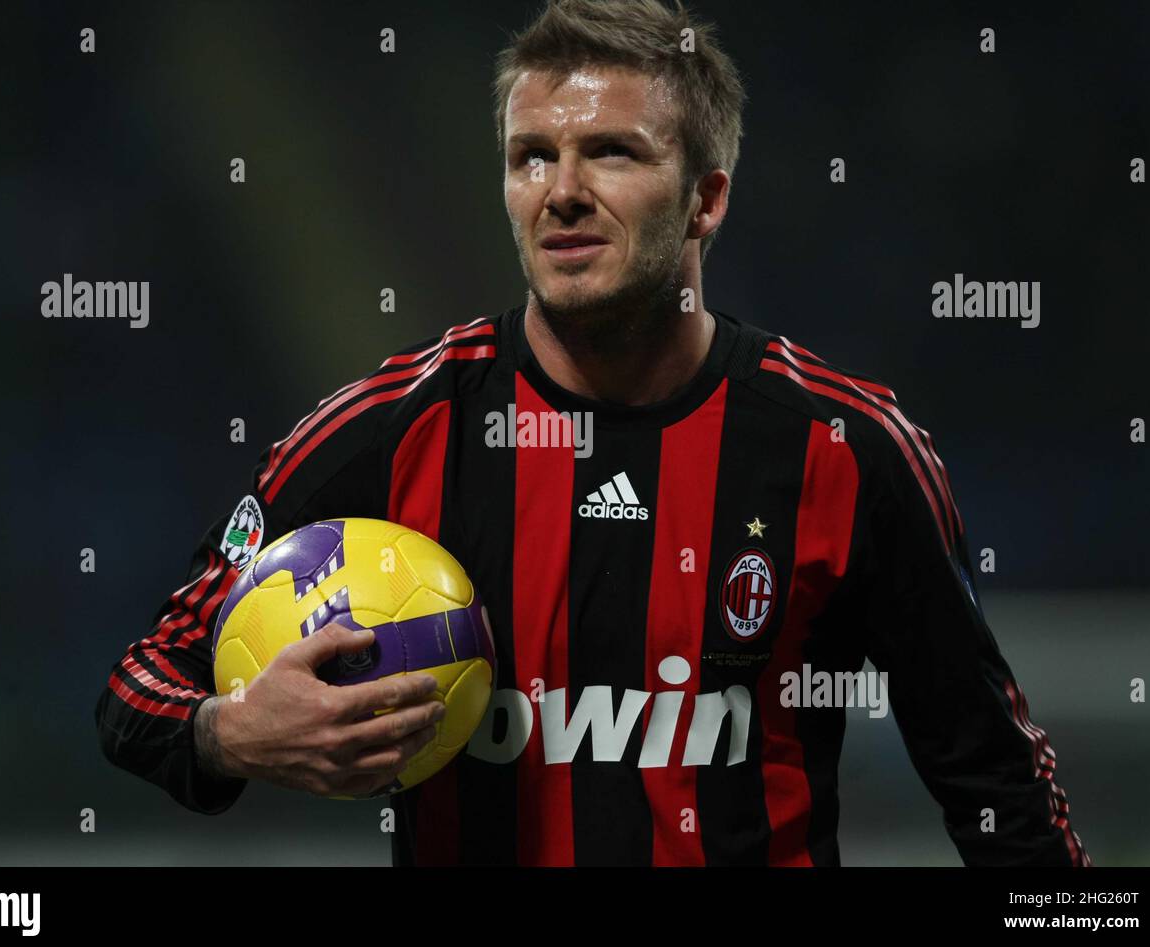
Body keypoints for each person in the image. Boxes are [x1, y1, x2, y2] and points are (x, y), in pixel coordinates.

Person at [95, 0, 1089, 866]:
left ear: (706, 198)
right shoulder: (386, 430)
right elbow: (140, 684)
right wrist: (227, 731)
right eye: (532, 155)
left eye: (610, 151)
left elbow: (995, 784)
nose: (560, 189)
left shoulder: (844, 446)